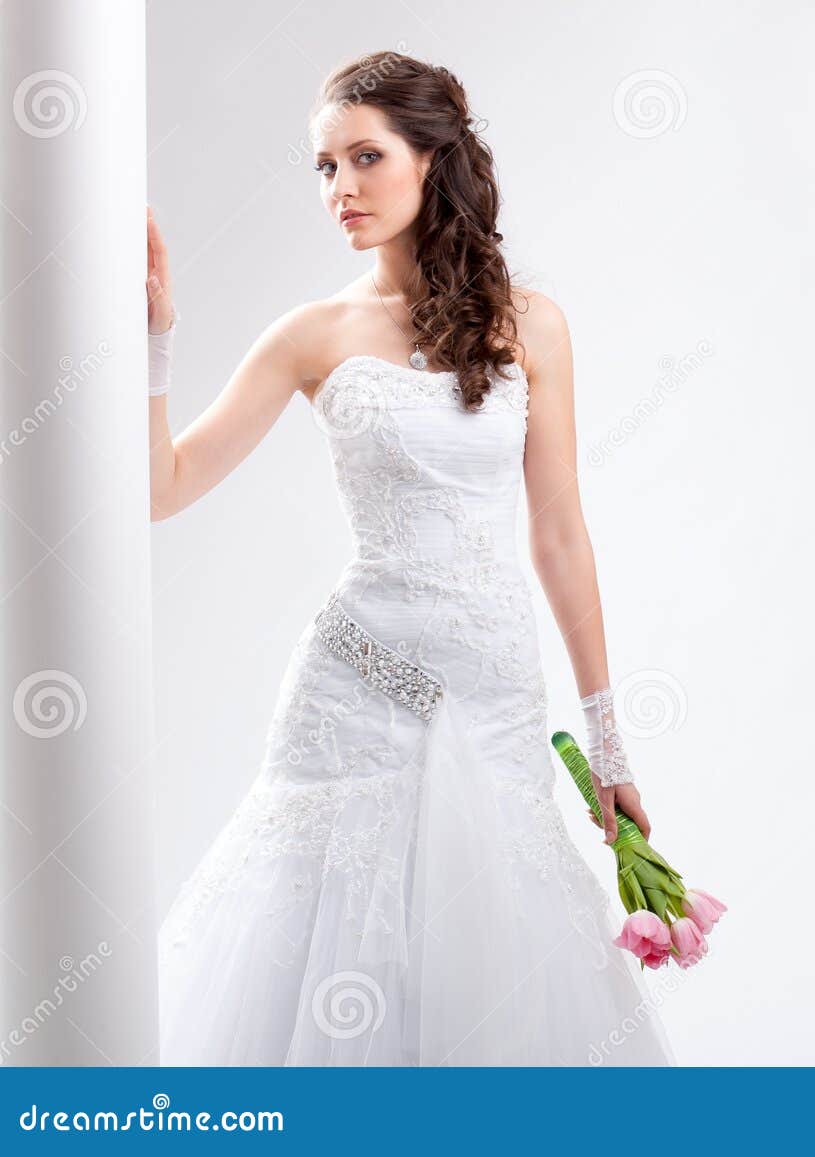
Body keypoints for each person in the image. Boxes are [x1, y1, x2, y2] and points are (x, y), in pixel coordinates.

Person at [148, 50, 674, 1065]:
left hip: (493, 685)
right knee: (333, 938)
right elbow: (162, 488)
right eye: (322, 167)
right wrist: (157, 343)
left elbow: (559, 531)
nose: (339, 189)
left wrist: (608, 741)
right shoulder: (313, 333)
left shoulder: (533, 325)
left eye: (364, 157)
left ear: (434, 160)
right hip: (359, 682)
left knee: (495, 954)